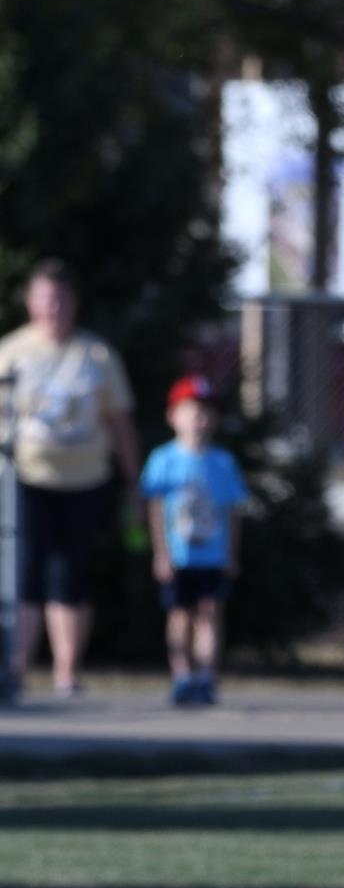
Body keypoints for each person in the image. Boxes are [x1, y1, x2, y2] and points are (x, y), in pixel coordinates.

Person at [0, 259, 141, 697]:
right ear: (31, 303)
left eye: (61, 300)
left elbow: (120, 421)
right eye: (46, 299)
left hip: (83, 480)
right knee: (23, 575)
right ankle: (15, 668)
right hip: (23, 478)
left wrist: (132, 479)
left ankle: (66, 672)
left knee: (70, 577)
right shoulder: (12, 351)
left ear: (74, 303)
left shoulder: (95, 355)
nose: (54, 308)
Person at [140, 375, 249, 706]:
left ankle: (206, 678)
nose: (200, 419)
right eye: (191, 410)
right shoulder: (163, 459)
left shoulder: (223, 462)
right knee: (180, 615)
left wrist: (231, 554)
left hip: (212, 556)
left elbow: (232, 512)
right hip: (178, 555)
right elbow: (155, 510)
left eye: (206, 412)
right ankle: (183, 676)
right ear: (173, 416)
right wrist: (161, 552)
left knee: (211, 613)